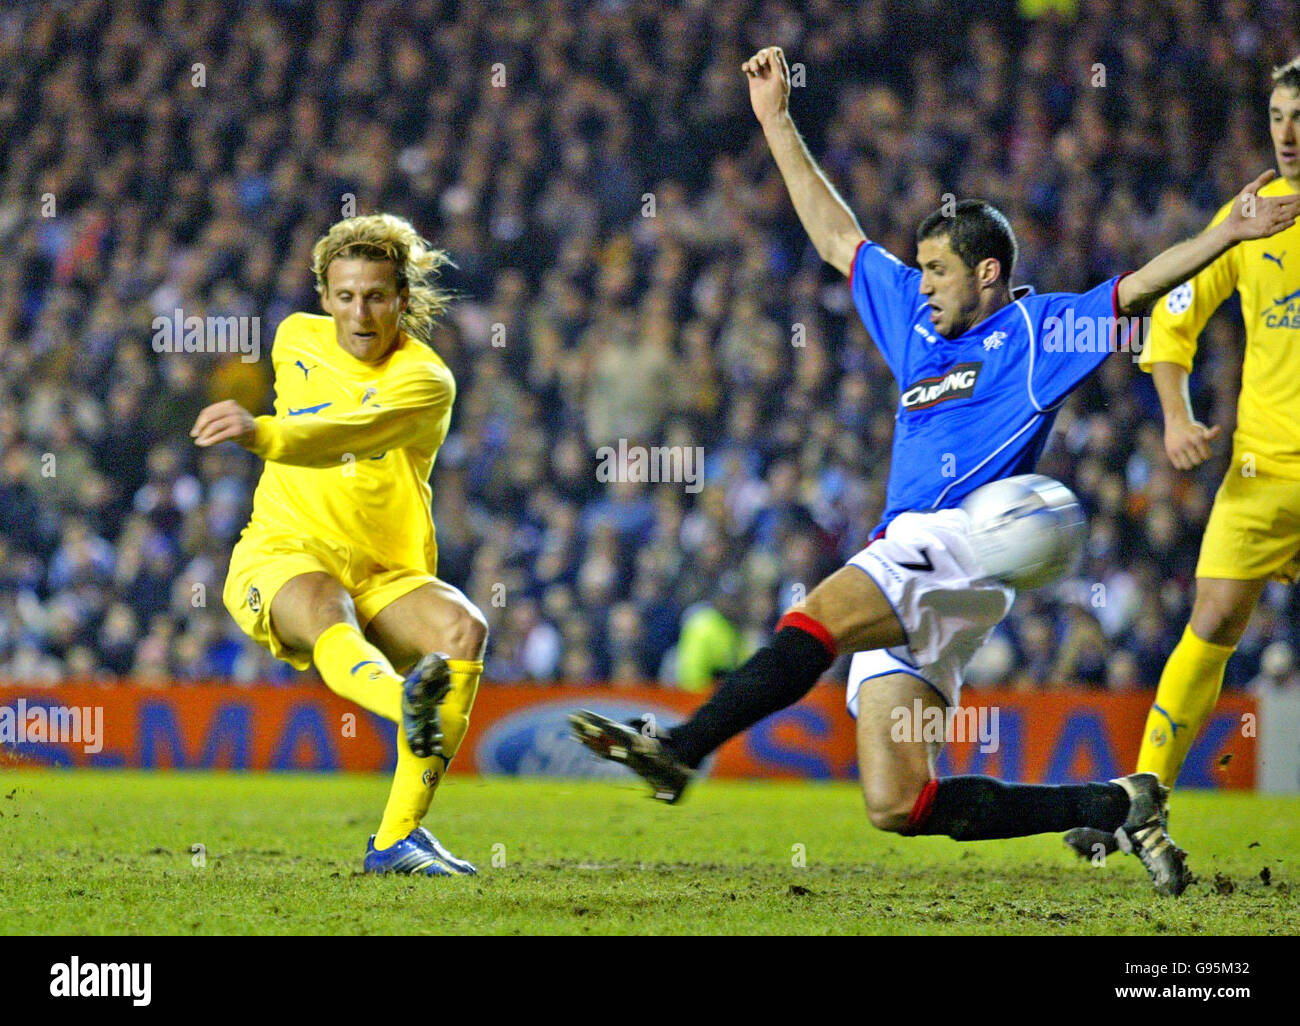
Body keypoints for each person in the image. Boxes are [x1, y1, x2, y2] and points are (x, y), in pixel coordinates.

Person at [571, 46, 1299, 897]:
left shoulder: (1035, 335)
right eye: (919, 270)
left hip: (961, 542)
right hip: (938, 574)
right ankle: (1117, 802)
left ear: (990, 274)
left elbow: (1136, 290)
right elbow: (837, 235)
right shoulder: (916, 326)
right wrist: (776, 122)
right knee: (900, 802)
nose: (922, 286)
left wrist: (1226, 235)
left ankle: (677, 750)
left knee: (816, 618)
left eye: (939, 270)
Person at [191, 213, 488, 876]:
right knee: (327, 604)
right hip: (282, 554)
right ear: (323, 298)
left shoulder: (426, 381)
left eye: (377, 296)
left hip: (384, 573)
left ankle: (396, 841)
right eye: (346, 296)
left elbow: (349, 432)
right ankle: (401, 701)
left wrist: (265, 434)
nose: (361, 313)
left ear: (402, 301)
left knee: (464, 629)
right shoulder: (294, 338)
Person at [1067, 57, 1300, 859]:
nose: (1288, 134)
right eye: (1276, 117)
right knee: (1213, 619)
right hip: (1263, 472)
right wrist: (1175, 414)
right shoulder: (1252, 217)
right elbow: (1174, 310)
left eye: (1298, 117)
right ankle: (1143, 802)